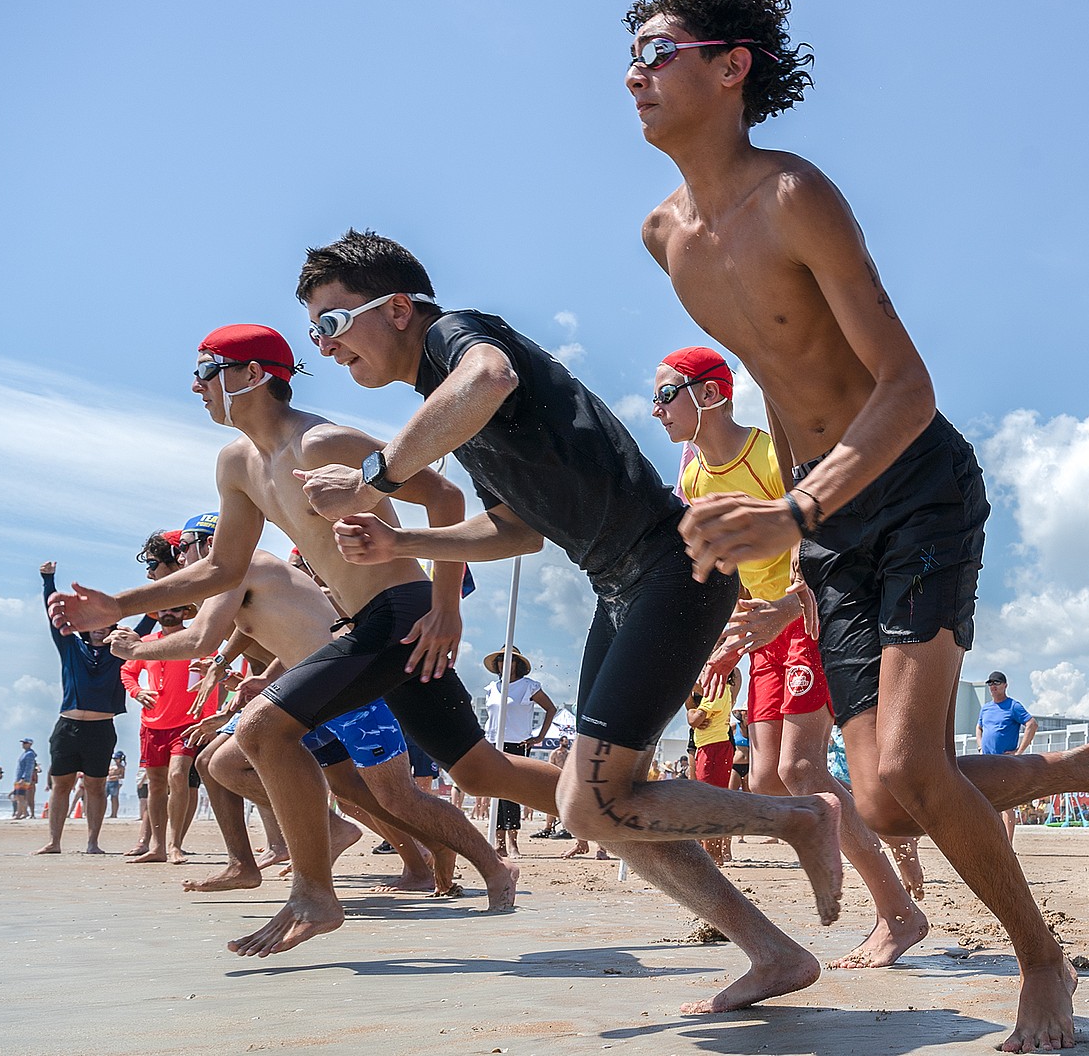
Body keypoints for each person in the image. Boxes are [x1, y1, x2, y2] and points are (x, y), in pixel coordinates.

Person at [623, 0, 1089, 1044]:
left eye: (660, 49)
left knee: (914, 766)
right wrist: (791, 527)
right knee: (881, 799)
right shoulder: (665, 236)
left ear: (732, 68)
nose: (635, 71)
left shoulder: (792, 196)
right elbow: (780, 378)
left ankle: (1042, 965)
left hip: (914, 483)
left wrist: (798, 505)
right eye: (630, 53)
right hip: (827, 524)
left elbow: (904, 384)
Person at [288, 229, 847, 1014]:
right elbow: (517, 527)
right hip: (621, 585)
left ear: (401, 310)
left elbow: (489, 375)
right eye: (315, 333)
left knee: (594, 802)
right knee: (607, 805)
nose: (326, 346)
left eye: (333, 323)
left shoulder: (458, 342)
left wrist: (377, 476)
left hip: (670, 570)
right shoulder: (441, 407)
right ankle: (775, 953)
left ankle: (799, 817)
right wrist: (401, 538)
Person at [49, 322, 552, 957]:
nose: (196, 386)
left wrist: (447, 607)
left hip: (402, 612)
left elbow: (446, 496)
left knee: (261, 732)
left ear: (253, 375)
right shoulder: (237, 463)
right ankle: (613, 804)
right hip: (365, 622)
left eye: (207, 371)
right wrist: (118, 604)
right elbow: (220, 570)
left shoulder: (324, 442)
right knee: (480, 771)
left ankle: (315, 894)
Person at [655, 343, 928, 964]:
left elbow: (821, 523)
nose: (656, 411)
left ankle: (897, 909)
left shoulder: (765, 450)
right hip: (756, 630)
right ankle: (889, 840)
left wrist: (796, 595)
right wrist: (713, 644)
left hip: (804, 613)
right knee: (768, 779)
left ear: (712, 394)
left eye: (666, 395)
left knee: (803, 770)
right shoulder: (693, 475)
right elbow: (716, 565)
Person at [119, 512, 497, 901]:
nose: (181, 559)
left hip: (347, 686)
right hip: (310, 693)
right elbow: (275, 634)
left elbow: (204, 638)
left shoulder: (244, 566)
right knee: (223, 765)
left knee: (394, 795)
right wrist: (243, 676)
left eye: (183, 548)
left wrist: (135, 646)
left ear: (210, 542)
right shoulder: (241, 577)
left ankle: (478, 861)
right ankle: (270, 855)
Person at [34, 562, 148, 854]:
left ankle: (92, 843)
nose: (99, 631)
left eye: (105, 626)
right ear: (86, 628)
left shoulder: (120, 653)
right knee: (62, 785)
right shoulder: (72, 647)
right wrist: (48, 580)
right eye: (95, 627)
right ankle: (54, 842)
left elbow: (148, 623)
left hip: (101, 728)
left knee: (96, 786)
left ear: (113, 629)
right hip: (67, 726)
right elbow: (54, 617)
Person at [116, 538, 217, 862]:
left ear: (185, 611)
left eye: (176, 608)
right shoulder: (146, 642)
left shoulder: (198, 638)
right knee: (155, 784)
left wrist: (209, 712)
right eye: (165, 609)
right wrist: (137, 692)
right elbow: (127, 673)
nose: (169, 612)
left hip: (187, 722)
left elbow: (218, 671)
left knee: (178, 776)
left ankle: (175, 844)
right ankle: (157, 846)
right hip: (152, 722)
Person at [481, 647, 556, 858]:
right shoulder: (492, 688)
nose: (504, 664)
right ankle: (498, 842)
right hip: (493, 743)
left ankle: (513, 843)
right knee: (495, 793)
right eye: (500, 660)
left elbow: (551, 708)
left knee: (512, 794)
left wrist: (540, 736)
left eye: (509, 660)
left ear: (517, 664)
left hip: (517, 744)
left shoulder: (528, 686)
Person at [976, 673, 1039, 844]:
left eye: (996, 683)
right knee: (989, 804)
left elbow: (1031, 724)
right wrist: (980, 745)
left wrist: (1019, 751)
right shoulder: (986, 708)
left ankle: (1007, 844)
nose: (993, 686)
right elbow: (979, 727)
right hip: (986, 762)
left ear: (1005, 685)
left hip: (1005, 762)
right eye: (990, 683)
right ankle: (995, 840)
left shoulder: (1013, 706)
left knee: (1007, 804)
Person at [686, 667, 739, 865]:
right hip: (709, 747)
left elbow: (693, 720)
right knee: (708, 800)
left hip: (713, 749)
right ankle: (712, 852)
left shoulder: (716, 692)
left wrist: (691, 709)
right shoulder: (716, 691)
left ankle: (712, 854)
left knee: (709, 801)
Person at [13, 739, 39, 819]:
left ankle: (20, 813)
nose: (23, 744)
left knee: (21, 796)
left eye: (25, 743)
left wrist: (23, 778)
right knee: (18, 796)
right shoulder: (25, 753)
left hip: (23, 778)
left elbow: (29, 767)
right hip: (19, 777)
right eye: (23, 743)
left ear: (30, 744)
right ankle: (24, 812)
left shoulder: (30, 754)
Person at [106, 752, 126, 817]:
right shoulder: (111, 766)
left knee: (114, 798)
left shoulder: (121, 767)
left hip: (114, 782)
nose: (115, 760)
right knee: (104, 796)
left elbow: (122, 776)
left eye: (117, 758)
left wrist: (116, 777)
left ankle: (114, 814)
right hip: (108, 781)